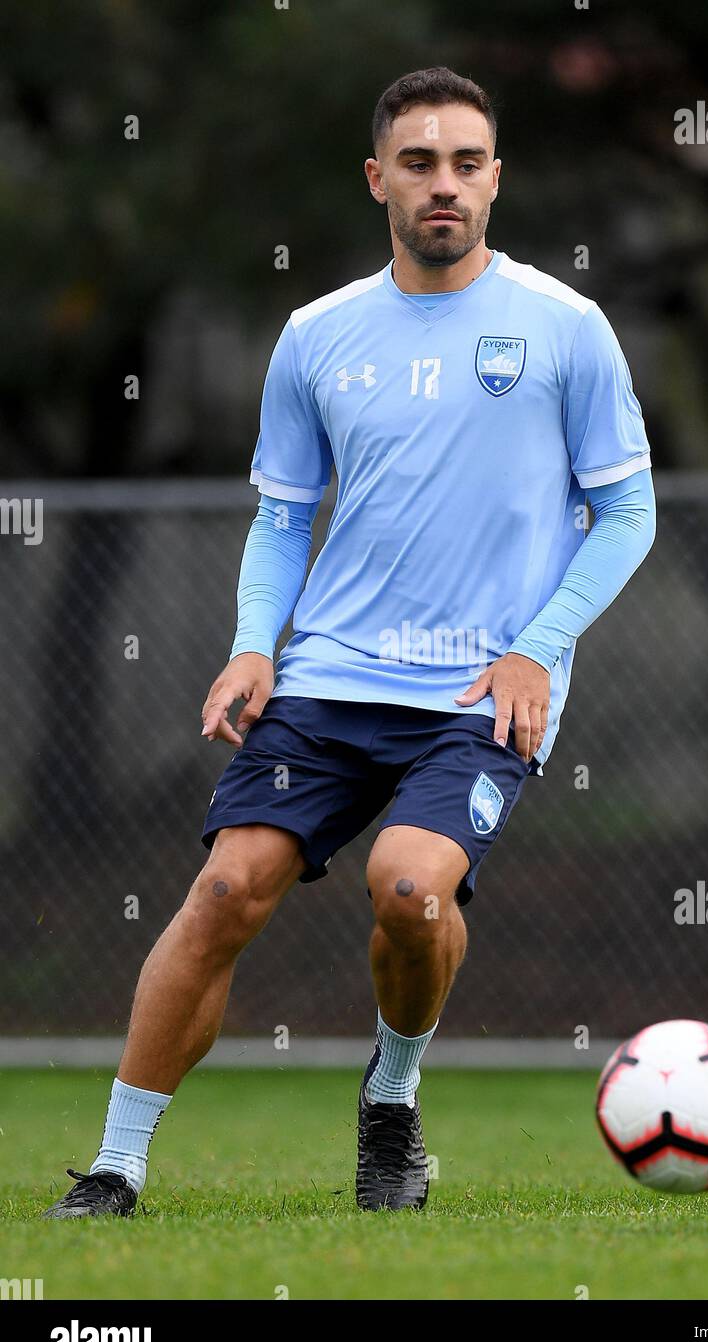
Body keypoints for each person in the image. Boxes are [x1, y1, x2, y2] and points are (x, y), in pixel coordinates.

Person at [45, 66, 655, 1218]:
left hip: (483, 686)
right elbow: (282, 516)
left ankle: (391, 1102)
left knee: (410, 889)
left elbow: (627, 510)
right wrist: (249, 644)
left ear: (494, 181)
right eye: (418, 163)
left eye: (466, 163)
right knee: (227, 885)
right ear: (377, 178)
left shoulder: (565, 328)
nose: (444, 185)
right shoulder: (315, 335)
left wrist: (539, 646)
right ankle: (116, 1166)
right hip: (329, 677)